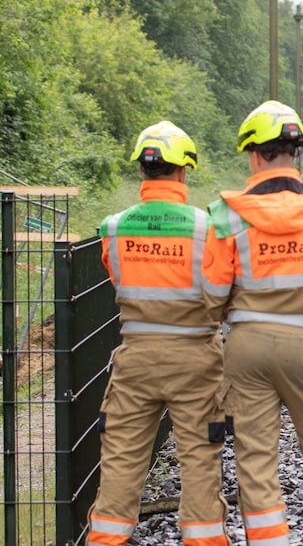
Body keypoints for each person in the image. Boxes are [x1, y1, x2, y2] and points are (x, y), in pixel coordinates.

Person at [201, 100, 303, 545]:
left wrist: (235, 312)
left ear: (253, 154)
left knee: (255, 459)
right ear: (295, 153)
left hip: (247, 347)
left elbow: (212, 295)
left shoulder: (227, 216)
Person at [89, 122, 230, 545]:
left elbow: (118, 280)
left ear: (142, 170)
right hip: (196, 358)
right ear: (183, 171)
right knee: (200, 460)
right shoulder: (207, 228)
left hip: (136, 358)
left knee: (121, 462)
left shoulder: (114, 228)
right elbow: (221, 293)